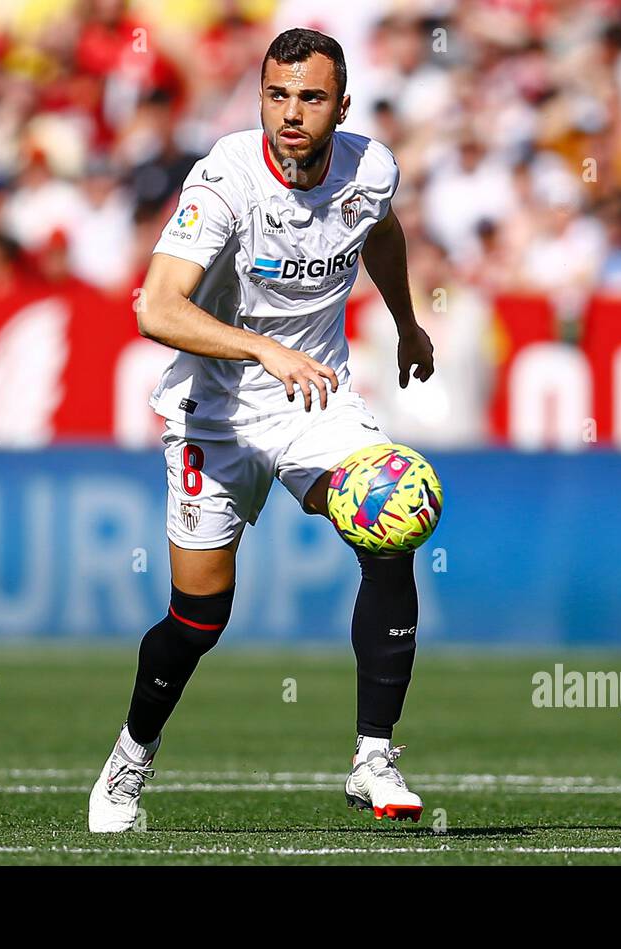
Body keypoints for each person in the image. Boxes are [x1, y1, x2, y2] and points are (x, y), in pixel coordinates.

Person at [88, 28, 435, 832]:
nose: (292, 114)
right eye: (278, 96)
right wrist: (260, 348)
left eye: (311, 98)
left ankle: (373, 757)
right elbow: (155, 307)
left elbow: (378, 230)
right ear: (260, 100)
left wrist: (408, 324)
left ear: (341, 107)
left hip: (315, 399)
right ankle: (128, 761)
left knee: (399, 513)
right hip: (213, 410)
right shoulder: (224, 182)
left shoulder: (370, 167)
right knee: (200, 617)